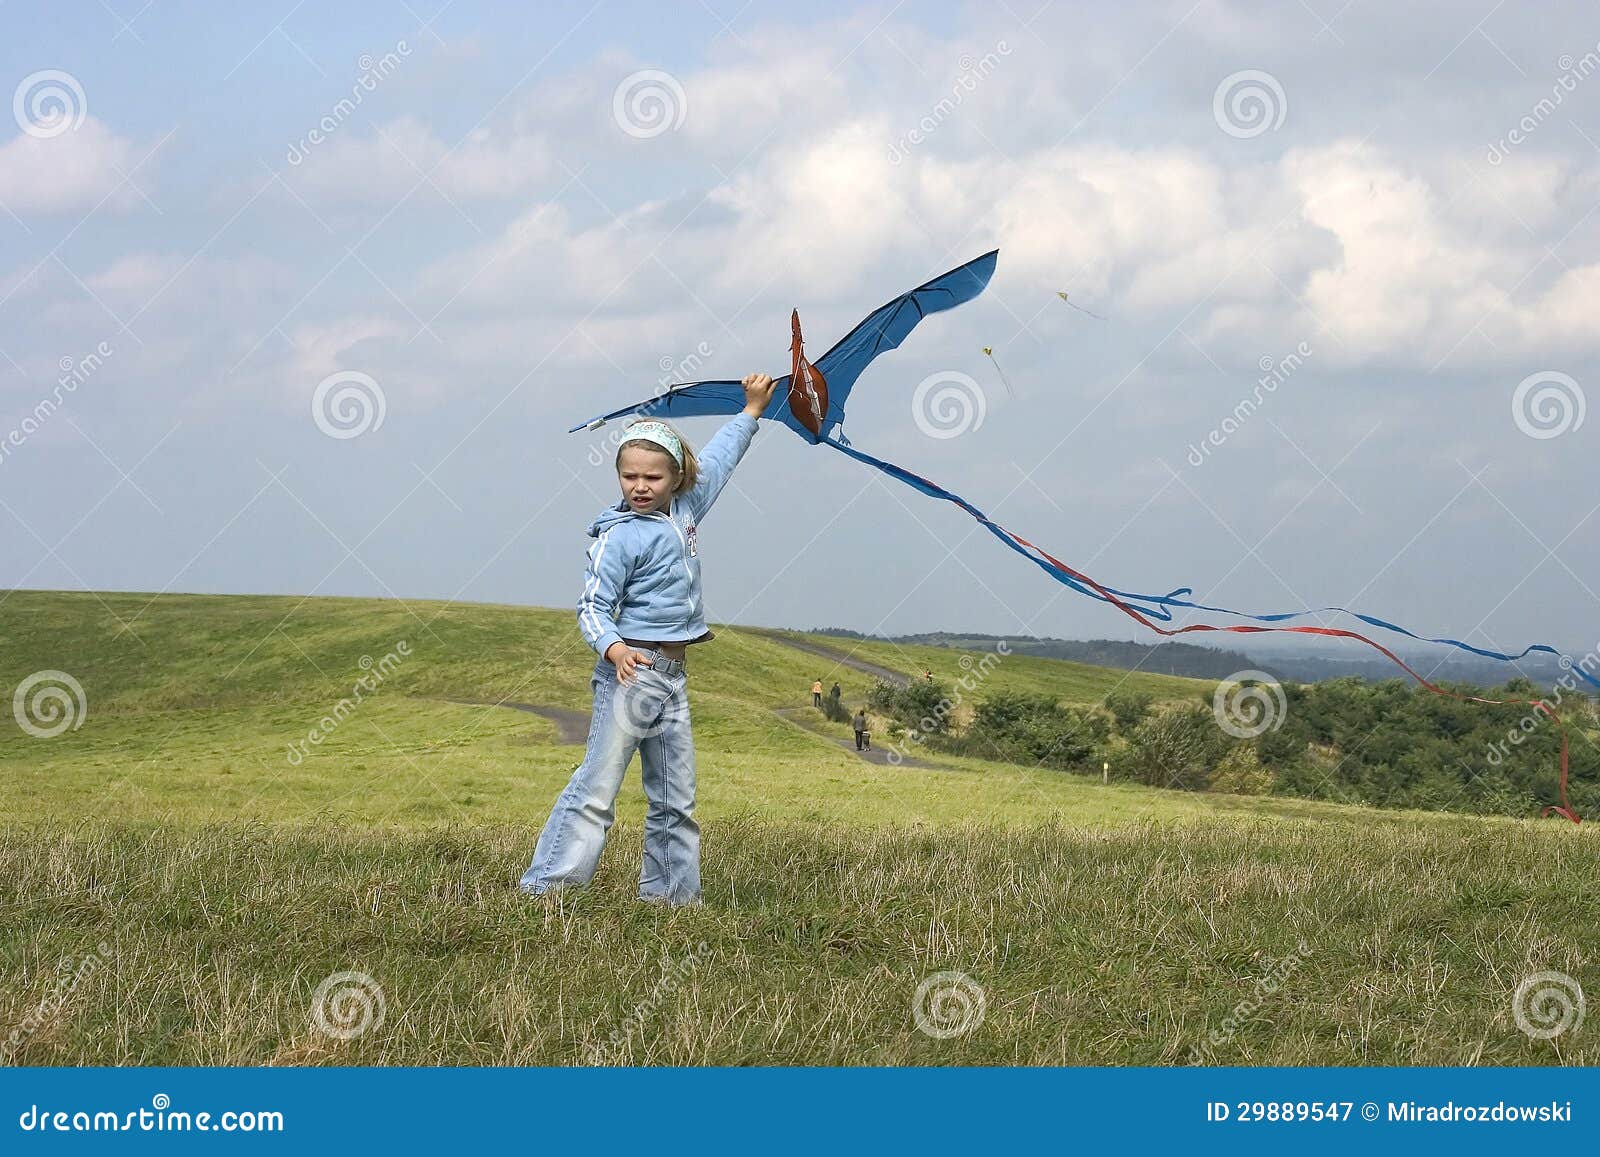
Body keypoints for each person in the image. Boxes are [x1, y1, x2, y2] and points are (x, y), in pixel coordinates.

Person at [519, 373, 777, 907]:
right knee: (597, 788)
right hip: (630, 675)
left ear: (677, 479)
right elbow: (591, 607)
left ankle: (671, 899)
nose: (640, 486)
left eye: (653, 478)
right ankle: (548, 889)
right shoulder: (618, 537)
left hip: (672, 679)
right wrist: (613, 650)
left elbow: (722, 459)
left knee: (674, 799)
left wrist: (751, 411)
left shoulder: (685, 512)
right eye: (630, 476)